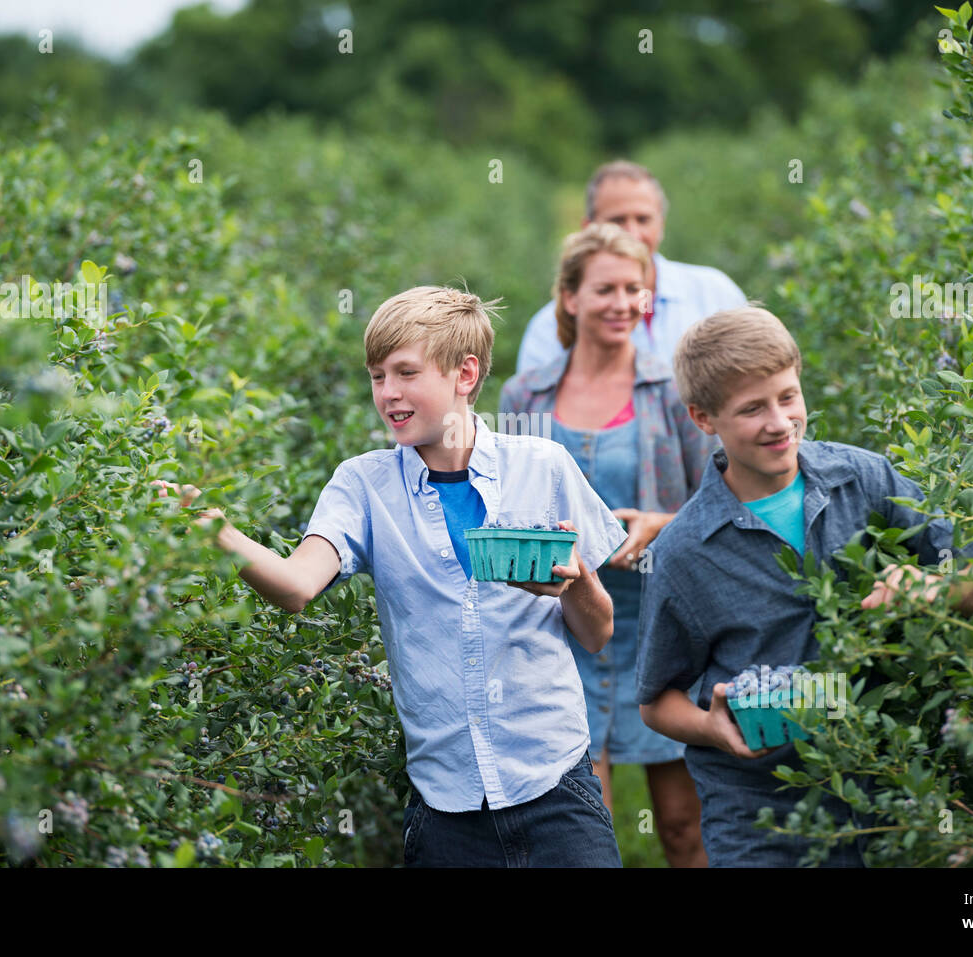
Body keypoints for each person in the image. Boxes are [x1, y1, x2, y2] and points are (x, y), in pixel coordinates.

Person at [153, 285, 629, 867]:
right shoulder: (362, 485)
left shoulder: (543, 467)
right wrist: (218, 532)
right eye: (378, 376)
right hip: (446, 804)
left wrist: (573, 582)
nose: (389, 393)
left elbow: (598, 631)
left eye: (406, 372)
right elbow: (298, 586)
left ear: (464, 373)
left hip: (555, 784)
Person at [635, 305, 973, 867]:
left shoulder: (867, 482)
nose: (780, 422)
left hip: (889, 783)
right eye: (752, 409)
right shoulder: (685, 552)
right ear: (703, 417)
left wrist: (933, 589)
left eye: (787, 396)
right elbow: (656, 701)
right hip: (763, 809)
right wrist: (711, 728)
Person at [500, 223, 716, 868]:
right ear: (569, 297)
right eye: (606, 289)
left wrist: (659, 522)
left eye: (636, 289)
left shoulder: (673, 389)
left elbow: (720, 503)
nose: (624, 303)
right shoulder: (525, 394)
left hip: (661, 623)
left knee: (681, 824)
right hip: (563, 622)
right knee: (583, 820)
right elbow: (508, 499)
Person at [515, 160, 747, 374]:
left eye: (643, 220)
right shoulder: (547, 331)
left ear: (661, 225)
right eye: (617, 220)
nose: (633, 233)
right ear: (589, 228)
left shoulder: (715, 294)